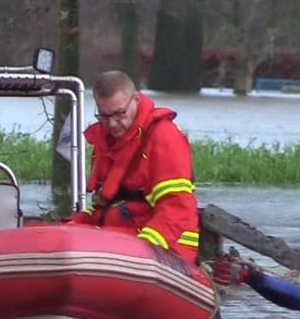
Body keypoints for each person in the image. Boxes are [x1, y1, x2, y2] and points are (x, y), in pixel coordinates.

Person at [69, 70, 201, 264]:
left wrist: (142, 252)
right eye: (104, 116)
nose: (113, 124)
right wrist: (73, 227)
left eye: (120, 114)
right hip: (119, 240)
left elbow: (176, 207)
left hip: (168, 248)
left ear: (136, 100)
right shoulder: (107, 140)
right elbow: (103, 204)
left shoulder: (163, 136)